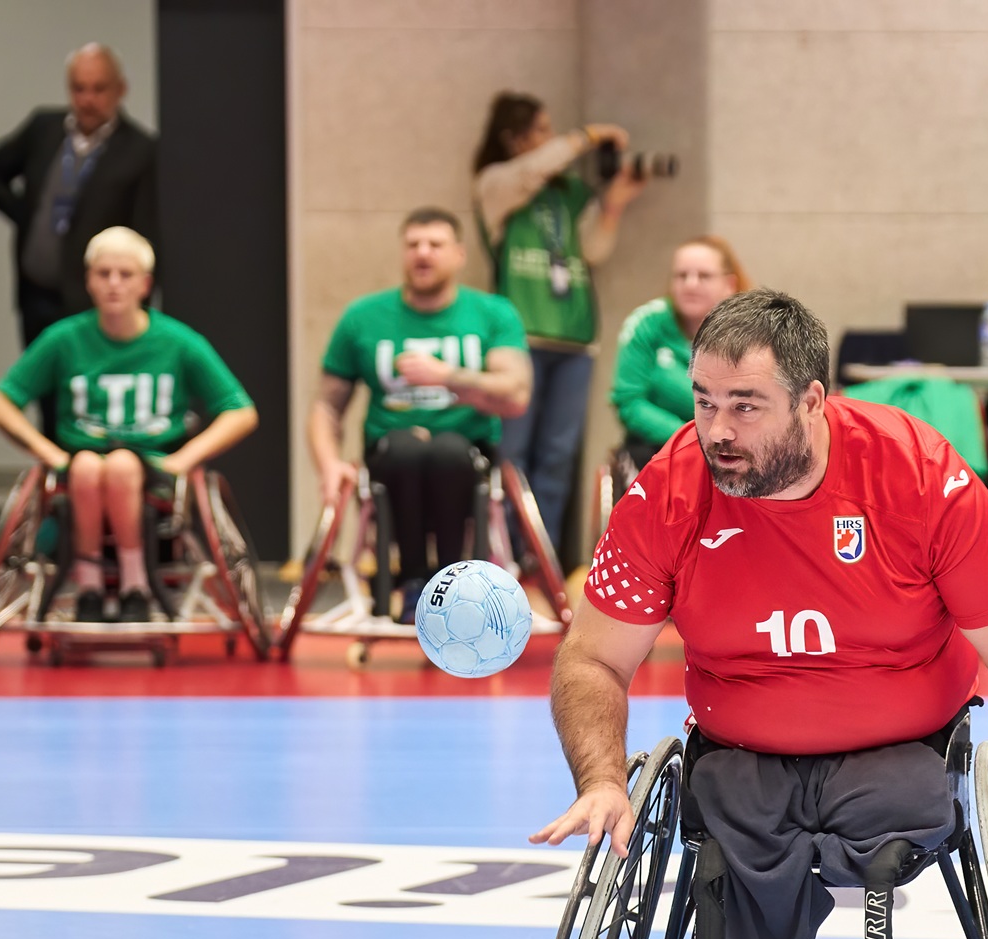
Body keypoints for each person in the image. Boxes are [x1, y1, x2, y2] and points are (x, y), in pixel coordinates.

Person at [532, 287, 988, 939]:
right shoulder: (666, 490)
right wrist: (600, 781)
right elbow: (592, 658)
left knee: (903, 808)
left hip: (902, 755)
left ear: (812, 400)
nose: (717, 430)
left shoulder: (917, 474)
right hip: (741, 760)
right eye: (703, 401)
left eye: (746, 405)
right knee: (746, 927)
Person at [0, 227, 255, 624]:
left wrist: (183, 460)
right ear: (88, 280)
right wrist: (49, 453)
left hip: (153, 462)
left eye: (125, 275)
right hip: (81, 461)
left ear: (145, 285)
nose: (114, 284)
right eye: (103, 273)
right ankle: (89, 584)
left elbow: (241, 410)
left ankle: (136, 583)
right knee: (91, 466)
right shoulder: (63, 339)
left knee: (123, 464)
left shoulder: (178, 341)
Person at [307, 208, 531, 618]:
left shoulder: (493, 313)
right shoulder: (363, 317)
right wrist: (328, 465)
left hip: (466, 450)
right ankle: (412, 583)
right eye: (413, 244)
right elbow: (326, 405)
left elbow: (515, 394)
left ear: (459, 254)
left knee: (446, 450)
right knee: (406, 449)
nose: (422, 253)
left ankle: (451, 585)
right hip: (390, 452)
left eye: (435, 244)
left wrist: (448, 376)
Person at [473, 92, 644, 550]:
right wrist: (587, 136)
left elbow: (592, 252)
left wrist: (613, 205)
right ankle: (501, 552)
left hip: (574, 339)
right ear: (513, 138)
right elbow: (531, 170)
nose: (553, 140)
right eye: (542, 129)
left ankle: (538, 558)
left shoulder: (569, 192)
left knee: (558, 456)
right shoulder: (496, 183)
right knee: (513, 452)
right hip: (519, 336)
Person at [0, 43, 159, 348]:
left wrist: (139, 304)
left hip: (94, 302)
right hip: (35, 292)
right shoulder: (44, 128)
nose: (87, 100)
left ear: (120, 89)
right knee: (41, 384)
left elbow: (146, 232)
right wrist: (27, 217)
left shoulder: (140, 150)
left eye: (99, 89)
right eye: (78, 89)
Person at [609, 236, 749, 467]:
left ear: (729, 285)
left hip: (731, 450)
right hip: (657, 451)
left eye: (703, 276)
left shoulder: (751, 333)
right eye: (682, 276)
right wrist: (692, 440)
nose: (690, 284)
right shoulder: (647, 323)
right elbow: (628, 401)